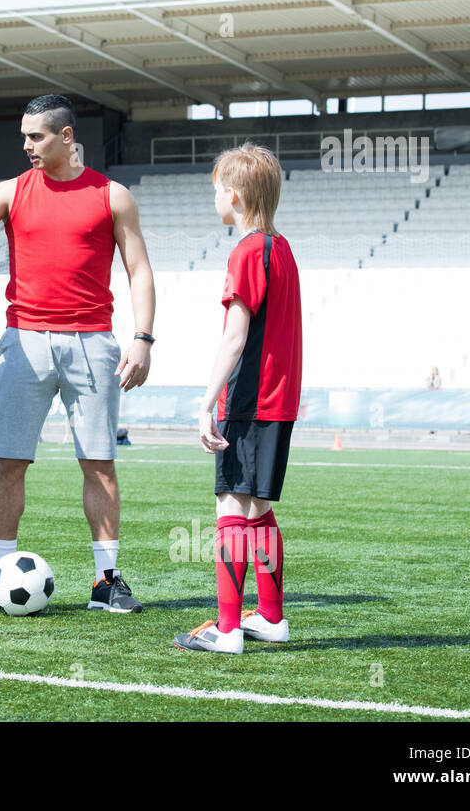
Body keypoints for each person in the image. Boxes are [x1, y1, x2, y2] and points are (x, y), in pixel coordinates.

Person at [0, 94, 156, 613]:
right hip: (23, 341)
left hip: (94, 343)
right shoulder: (12, 191)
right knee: (9, 463)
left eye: (36, 136)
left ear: (66, 137)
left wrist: (143, 338)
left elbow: (140, 271)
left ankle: (106, 582)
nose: (27, 146)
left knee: (100, 465)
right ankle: (1, 576)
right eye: (24, 136)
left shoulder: (113, 196)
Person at [174, 143, 302, 654]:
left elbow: (235, 336)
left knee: (231, 506)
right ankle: (270, 618)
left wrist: (206, 403)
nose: (214, 201)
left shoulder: (246, 251)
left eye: (214, 192)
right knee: (257, 510)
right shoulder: (283, 248)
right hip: (280, 401)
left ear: (233, 195)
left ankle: (227, 630)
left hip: (250, 401)